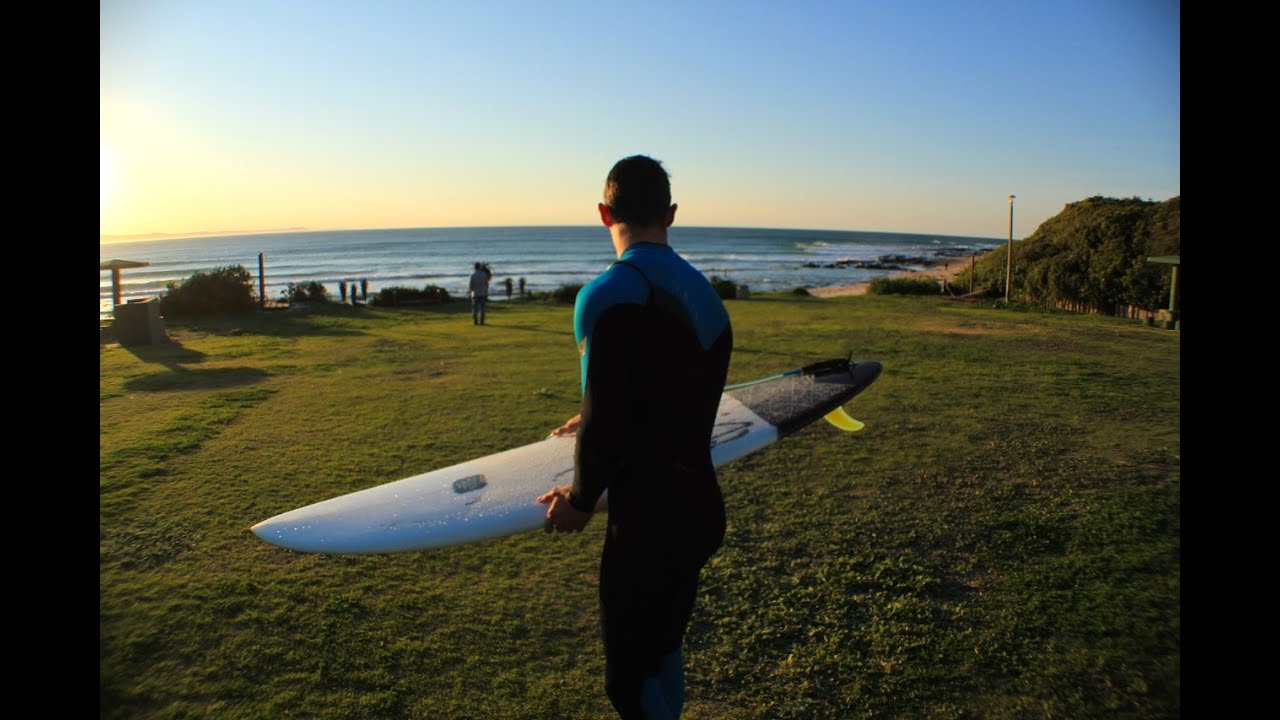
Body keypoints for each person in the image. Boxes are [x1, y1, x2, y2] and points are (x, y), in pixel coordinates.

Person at [538, 155, 733, 719]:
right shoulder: (705, 294)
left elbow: (607, 423)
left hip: (646, 524)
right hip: (699, 507)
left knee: (629, 683)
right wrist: (593, 413)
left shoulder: (605, 294)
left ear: (604, 214)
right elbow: (670, 394)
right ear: (670, 214)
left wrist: (579, 500)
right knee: (663, 648)